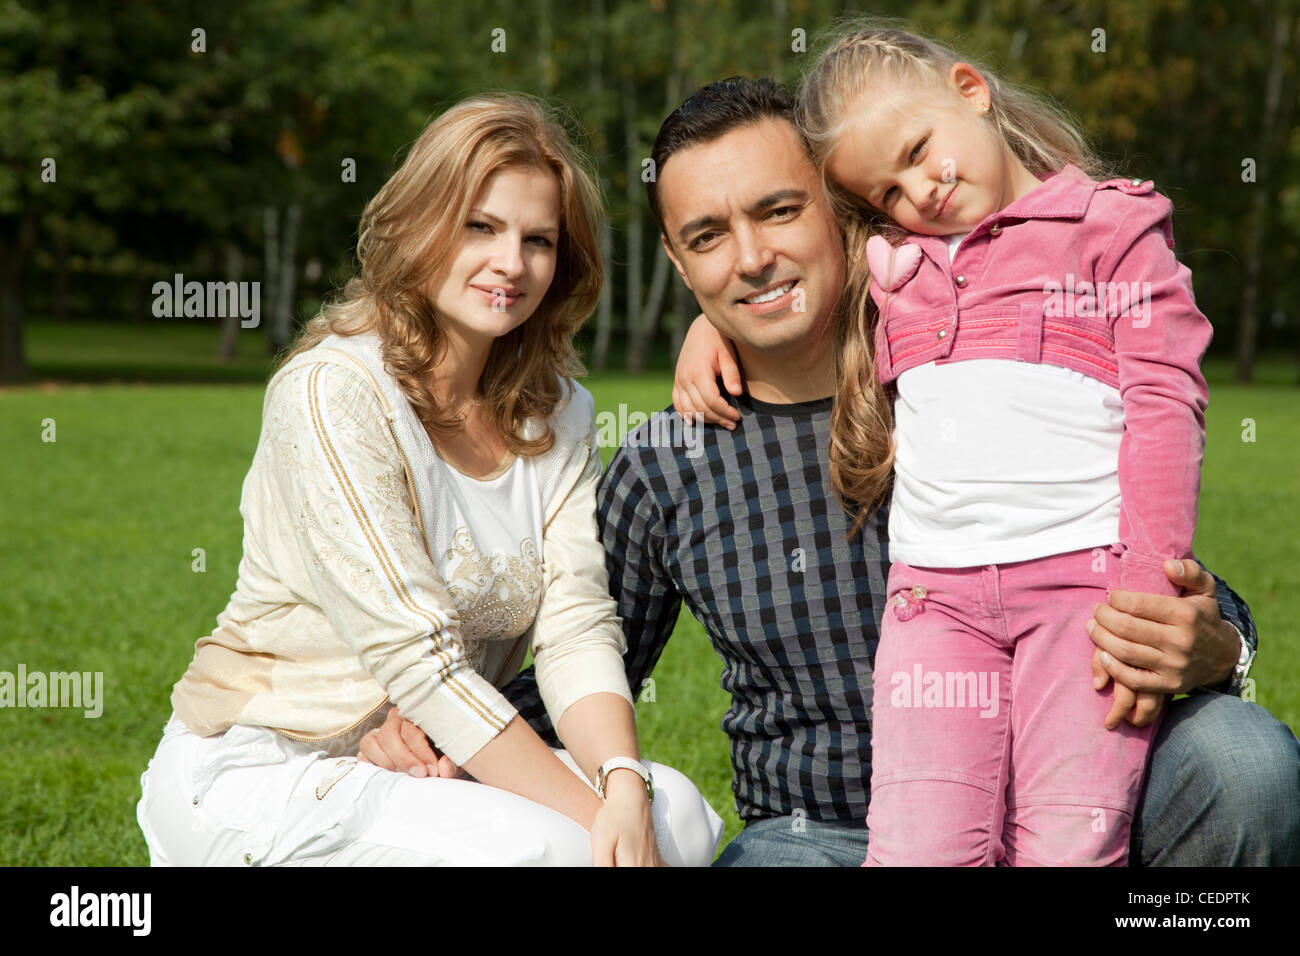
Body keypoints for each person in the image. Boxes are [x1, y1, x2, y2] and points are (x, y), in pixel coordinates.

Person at [639, 75, 1298, 865]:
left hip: (1066, 776)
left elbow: (1113, 535)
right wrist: (457, 732)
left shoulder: (945, 340)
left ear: (848, 215)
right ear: (679, 263)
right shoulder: (664, 462)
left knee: (1242, 762)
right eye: (708, 237)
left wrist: (1225, 643)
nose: (751, 258)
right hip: (830, 834)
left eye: (779, 211)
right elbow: (589, 656)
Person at [135, 93, 723, 867]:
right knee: (560, 848)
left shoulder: (563, 414)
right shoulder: (332, 393)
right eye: (480, 226)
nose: (511, 264)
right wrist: (606, 827)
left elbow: (577, 624)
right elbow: (422, 661)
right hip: (266, 766)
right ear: (420, 223)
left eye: (538, 240)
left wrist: (620, 788)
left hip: (430, 760)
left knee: (678, 811)